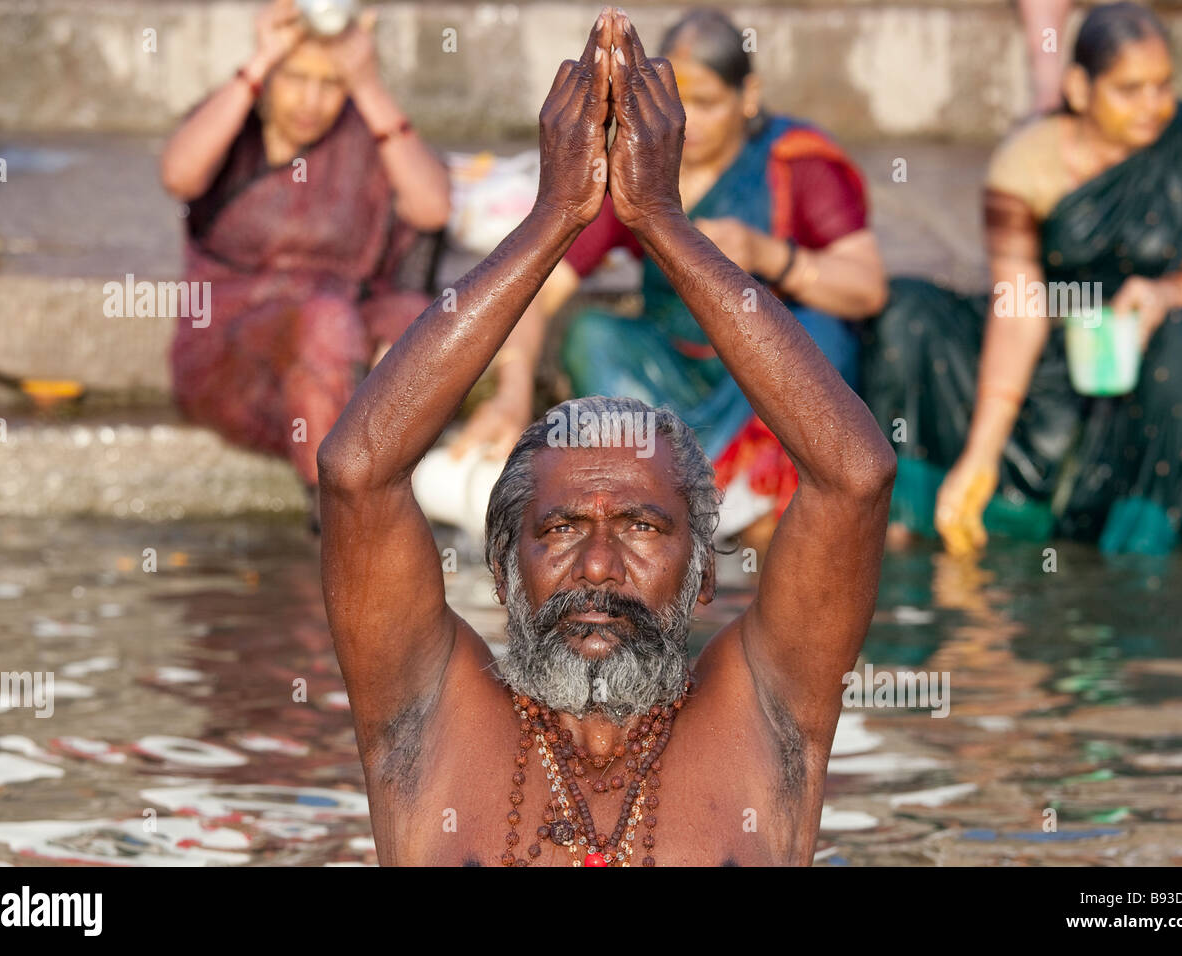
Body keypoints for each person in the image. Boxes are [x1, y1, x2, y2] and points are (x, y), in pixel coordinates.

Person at [317, 9, 895, 866]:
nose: (596, 568)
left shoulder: (766, 713)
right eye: (558, 529)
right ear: (504, 568)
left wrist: (661, 220)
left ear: (704, 571)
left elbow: (855, 475)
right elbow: (356, 471)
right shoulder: (429, 719)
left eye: (641, 527)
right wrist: (555, 215)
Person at [422, 7, 886, 553]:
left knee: (820, 336)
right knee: (590, 334)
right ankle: (654, 493)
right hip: (668, 371)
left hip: (760, 381)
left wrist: (772, 257)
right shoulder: (635, 167)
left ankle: (769, 509)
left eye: (710, 104)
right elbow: (540, 289)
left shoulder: (794, 163)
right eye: (680, 104)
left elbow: (867, 287)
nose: (695, 122)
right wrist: (514, 390)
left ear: (749, 96)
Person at [860, 2, 1182, 556]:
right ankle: (908, 521)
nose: (1153, 106)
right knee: (908, 308)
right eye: (1129, 89)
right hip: (1039, 347)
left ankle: (1141, 549)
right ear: (1079, 88)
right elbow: (1019, 303)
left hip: (1140, 355)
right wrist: (983, 454)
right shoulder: (1029, 160)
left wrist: (1168, 294)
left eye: (1162, 86)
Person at [160, 0, 450, 531]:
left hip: (331, 353)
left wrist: (365, 83)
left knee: (418, 317)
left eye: (329, 84)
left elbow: (432, 207)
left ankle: (384, 485)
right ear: (271, 78)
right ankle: (335, 515)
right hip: (234, 362)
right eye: (296, 79)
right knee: (324, 320)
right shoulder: (232, 124)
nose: (312, 101)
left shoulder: (363, 133)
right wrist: (261, 60)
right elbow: (179, 176)